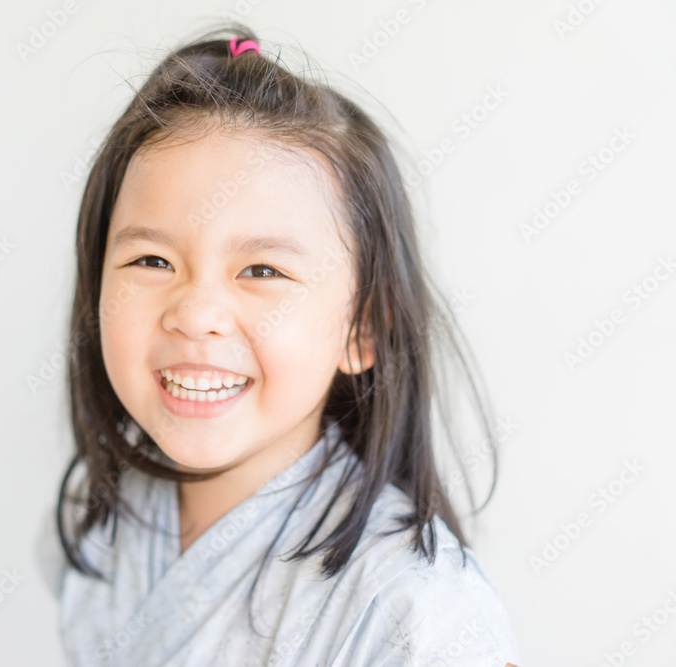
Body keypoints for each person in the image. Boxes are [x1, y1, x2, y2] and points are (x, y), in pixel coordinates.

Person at [35, 23, 522, 666]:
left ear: (362, 329)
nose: (196, 313)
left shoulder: (419, 610)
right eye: (152, 260)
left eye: (261, 271)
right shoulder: (99, 524)